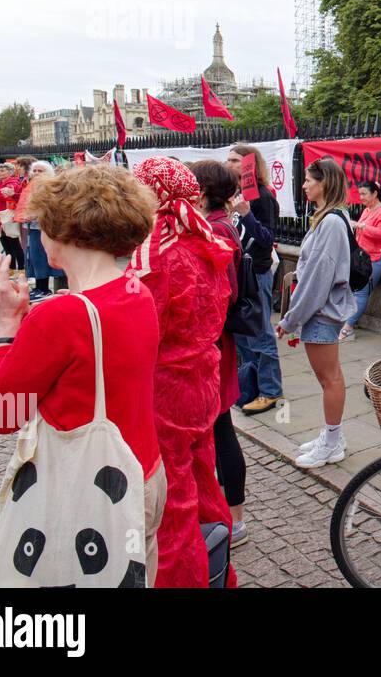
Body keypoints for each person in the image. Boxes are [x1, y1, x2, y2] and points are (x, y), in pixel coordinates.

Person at [0, 165, 166, 585]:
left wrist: (7, 326)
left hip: (86, 489)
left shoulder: (64, 314)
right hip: (140, 470)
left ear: (64, 232)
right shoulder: (136, 289)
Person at [131, 157, 238, 588]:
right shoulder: (203, 238)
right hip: (203, 376)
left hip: (167, 386)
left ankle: (186, 578)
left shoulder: (159, 249)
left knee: (173, 504)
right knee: (205, 485)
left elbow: (145, 326)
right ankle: (221, 572)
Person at [277, 157, 355, 468]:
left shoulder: (332, 222)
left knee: (330, 379)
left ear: (325, 183)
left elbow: (317, 278)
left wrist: (290, 318)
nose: (305, 184)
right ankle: (332, 436)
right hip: (320, 312)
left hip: (323, 313)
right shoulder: (327, 219)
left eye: (310, 179)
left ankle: (333, 442)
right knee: (329, 378)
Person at [189, 160, 250, 550]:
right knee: (216, 427)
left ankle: (236, 518)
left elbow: (219, 296)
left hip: (214, 342)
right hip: (216, 341)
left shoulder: (215, 230)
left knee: (221, 427)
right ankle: (223, 513)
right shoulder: (214, 225)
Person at [225, 144, 283, 415]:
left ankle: (271, 391)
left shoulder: (262, 196)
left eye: (235, 160)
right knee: (243, 335)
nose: (229, 163)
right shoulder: (236, 194)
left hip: (257, 273)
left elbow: (268, 238)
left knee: (261, 333)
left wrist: (247, 215)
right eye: (227, 159)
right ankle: (251, 386)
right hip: (239, 274)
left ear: (249, 165)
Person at [340, 179, 381, 342]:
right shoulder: (367, 210)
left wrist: (360, 226)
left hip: (380, 257)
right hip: (365, 256)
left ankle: (348, 328)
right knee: (353, 289)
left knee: (362, 291)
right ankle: (349, 320)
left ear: (375, 194)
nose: (361, 197)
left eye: (364, 194)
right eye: (360, 194)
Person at [19, 161, 67, 300]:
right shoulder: (31, 187)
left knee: (42, 257)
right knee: (34, 257)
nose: (37, 174)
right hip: (32, 227)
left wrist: (36, 214)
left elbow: (55, 207)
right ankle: (39, 286)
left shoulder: (52, 187)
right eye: (35, 171)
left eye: (41, 171)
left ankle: (44, 288)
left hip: (46, 227)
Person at [0, 163, 26, 271]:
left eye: (2, 171)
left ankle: (22, 268)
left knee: (14, 244)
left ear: (10, 172)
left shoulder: (13, 183)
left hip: (8, 217)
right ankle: (11, 268)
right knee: (6, 245)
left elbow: (2, 196)